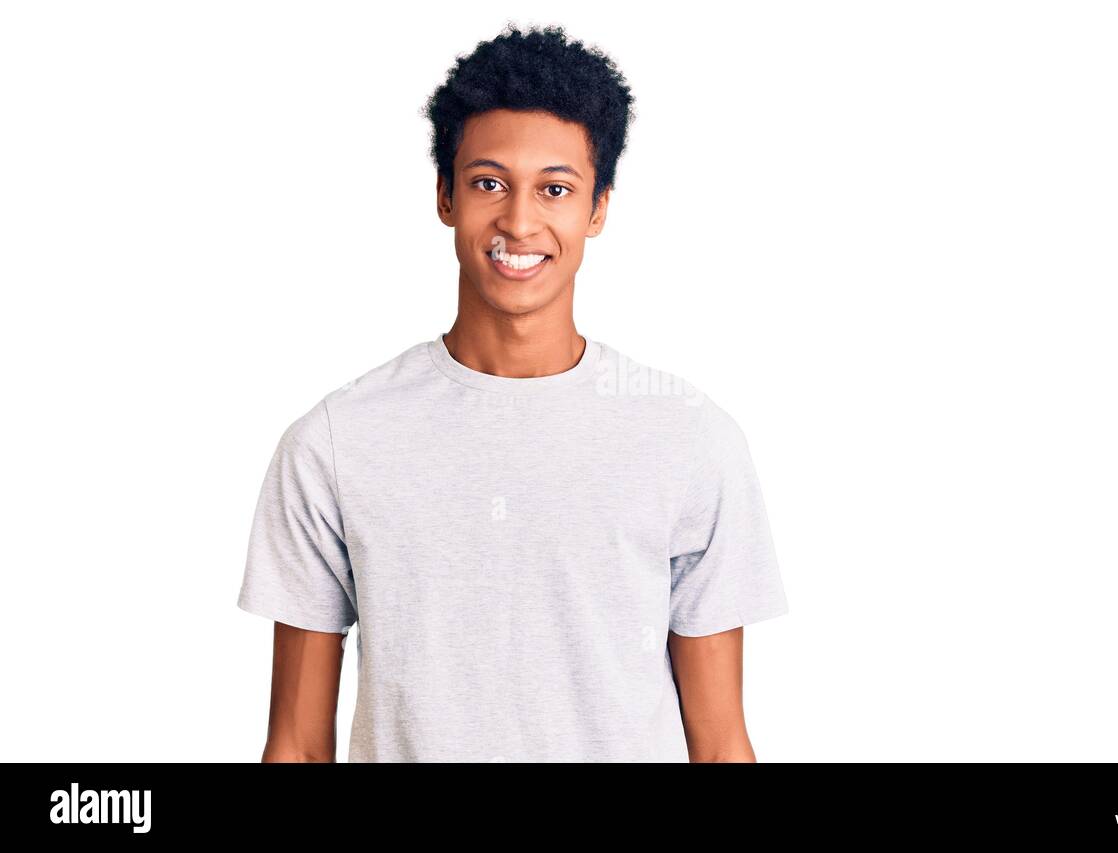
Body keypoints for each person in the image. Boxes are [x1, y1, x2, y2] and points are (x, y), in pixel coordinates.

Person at [236, 22, 789, 763]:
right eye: (488, 182)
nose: (519, 221)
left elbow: (721, 745)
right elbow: (298, 746)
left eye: (555, 189)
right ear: (445, 196)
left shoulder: (689, 439)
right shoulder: (336, 442)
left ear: (597, 209)